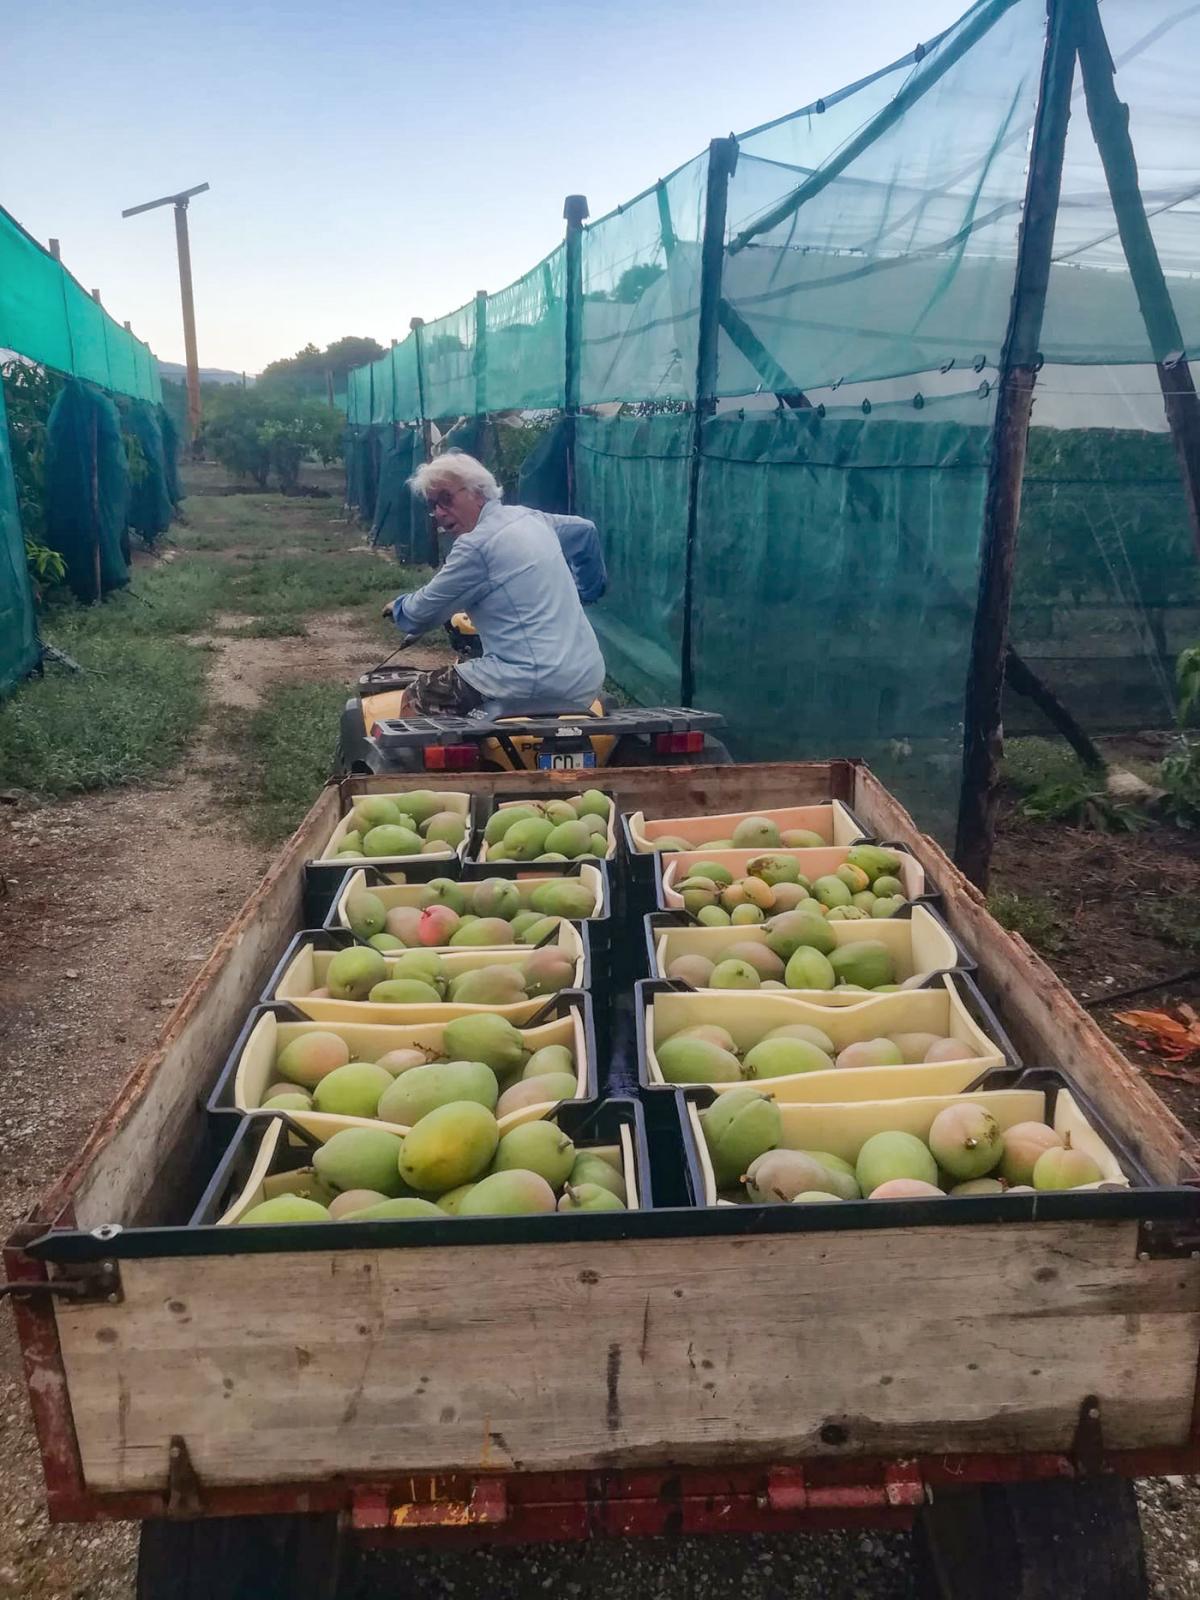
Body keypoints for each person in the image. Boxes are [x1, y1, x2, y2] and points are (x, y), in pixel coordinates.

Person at [384, 451, 607, 719]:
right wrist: (587, 589)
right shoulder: (530, 518)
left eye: (446, 499)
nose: (440, 513)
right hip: (586, 678)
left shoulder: (475, 545)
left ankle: (444, 761)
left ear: (478, 493)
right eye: (433, 505)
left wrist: (399, 607)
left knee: (421, 693)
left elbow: (420, 614)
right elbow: (585, 531)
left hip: (529, 681)